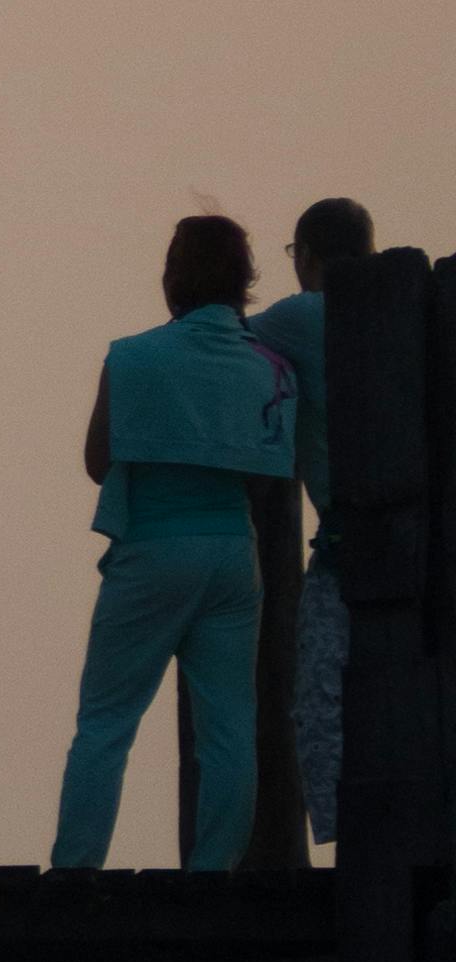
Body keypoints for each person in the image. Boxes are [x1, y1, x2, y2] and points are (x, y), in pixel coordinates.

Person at [49, 214, 298, 873]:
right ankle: (214, 870)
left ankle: (77, 867)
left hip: (152, 549)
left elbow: (99, 461)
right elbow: (268, 470)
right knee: (228, 732)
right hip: (232, 552)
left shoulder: (132, 356)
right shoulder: (269, 368)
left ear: (173, 277)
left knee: (105, 723)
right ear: (244, 280)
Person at [251, 195, 372, 848]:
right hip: (411, 542)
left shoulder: (302, 316)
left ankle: (340, 839)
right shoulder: (391, 313)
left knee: (317, 702)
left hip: (346, 547)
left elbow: (222, 342)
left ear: (308, 257)